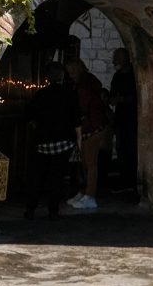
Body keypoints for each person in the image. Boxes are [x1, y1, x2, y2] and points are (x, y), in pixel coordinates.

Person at [24, 62, 80, 220]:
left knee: (37, 176)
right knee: (57, 177)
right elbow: (76, 120)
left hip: (43, 141)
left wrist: (37, 126)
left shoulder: (41, 94)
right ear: (62, 75)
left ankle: (31, 208)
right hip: (63, 142)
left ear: (48, 77)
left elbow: (28, 115)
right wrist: (78, 141)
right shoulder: (69, 94)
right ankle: (53, 210)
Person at [66, 55, 111, 210]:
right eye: (69, 72)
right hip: (90, 126)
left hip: (93, 127)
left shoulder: (84, 85)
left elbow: (83, 107)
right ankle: (84, 192)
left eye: (72, 71)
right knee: (85, 162)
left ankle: (90, 195)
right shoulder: (84, 83)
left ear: (78, 69)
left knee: (90, 163)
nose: (70, 74)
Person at [109, 46, 138, 198]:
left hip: (134, 119)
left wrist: (124, 99)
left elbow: (137, 96)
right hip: (121, 120)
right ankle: (125, 181)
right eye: (116, 58)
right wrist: (115, 99)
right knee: (121, 150)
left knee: (133, 151)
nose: (116, 61)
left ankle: (133, 182)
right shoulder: (117, 76)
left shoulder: (135, 74)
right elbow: (112, 96)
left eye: (119, 58)